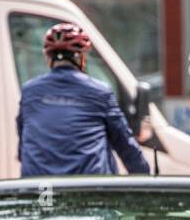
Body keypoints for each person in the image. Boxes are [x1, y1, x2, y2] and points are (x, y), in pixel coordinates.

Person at [17, 22, 151, 177]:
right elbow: (125, 146)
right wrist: (145, 178)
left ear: (48, 59)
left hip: (40, 191)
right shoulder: (100, 92)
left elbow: (23, 149)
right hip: (85, 191)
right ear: (82, 58)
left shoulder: (30, 92)